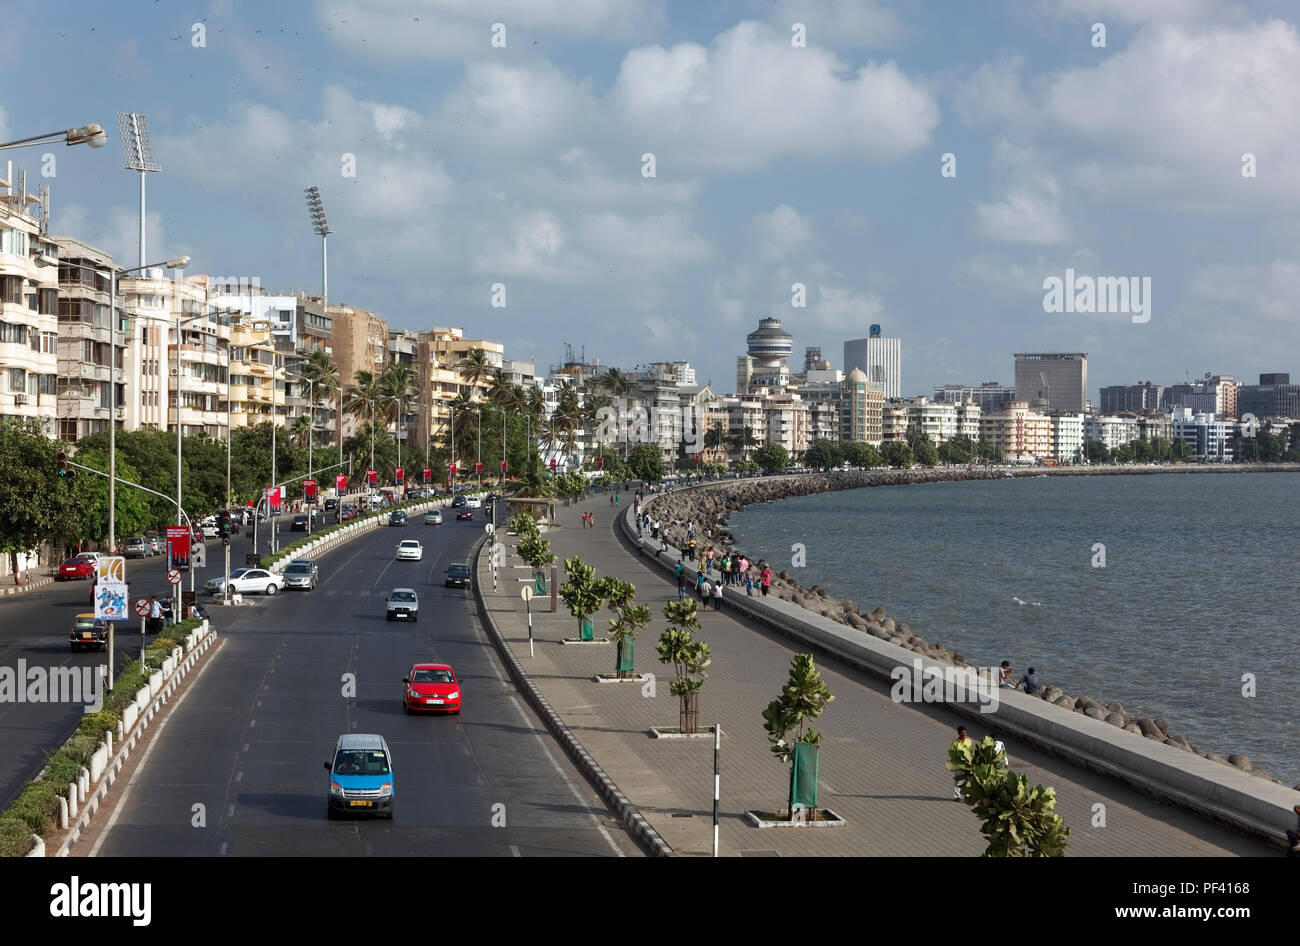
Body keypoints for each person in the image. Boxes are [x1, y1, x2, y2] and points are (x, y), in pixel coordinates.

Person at [950, 726, 973, 800]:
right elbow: (952, 754)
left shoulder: (969, 741)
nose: (964, 734)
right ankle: (957, 796)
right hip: (959, 764)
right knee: (958, 780)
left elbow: (970, 751)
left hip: (967, 764)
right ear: (958, 733)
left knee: (968, 780)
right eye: (962, 732)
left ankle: (967, 795)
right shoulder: (955, 743)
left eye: (965, 732)